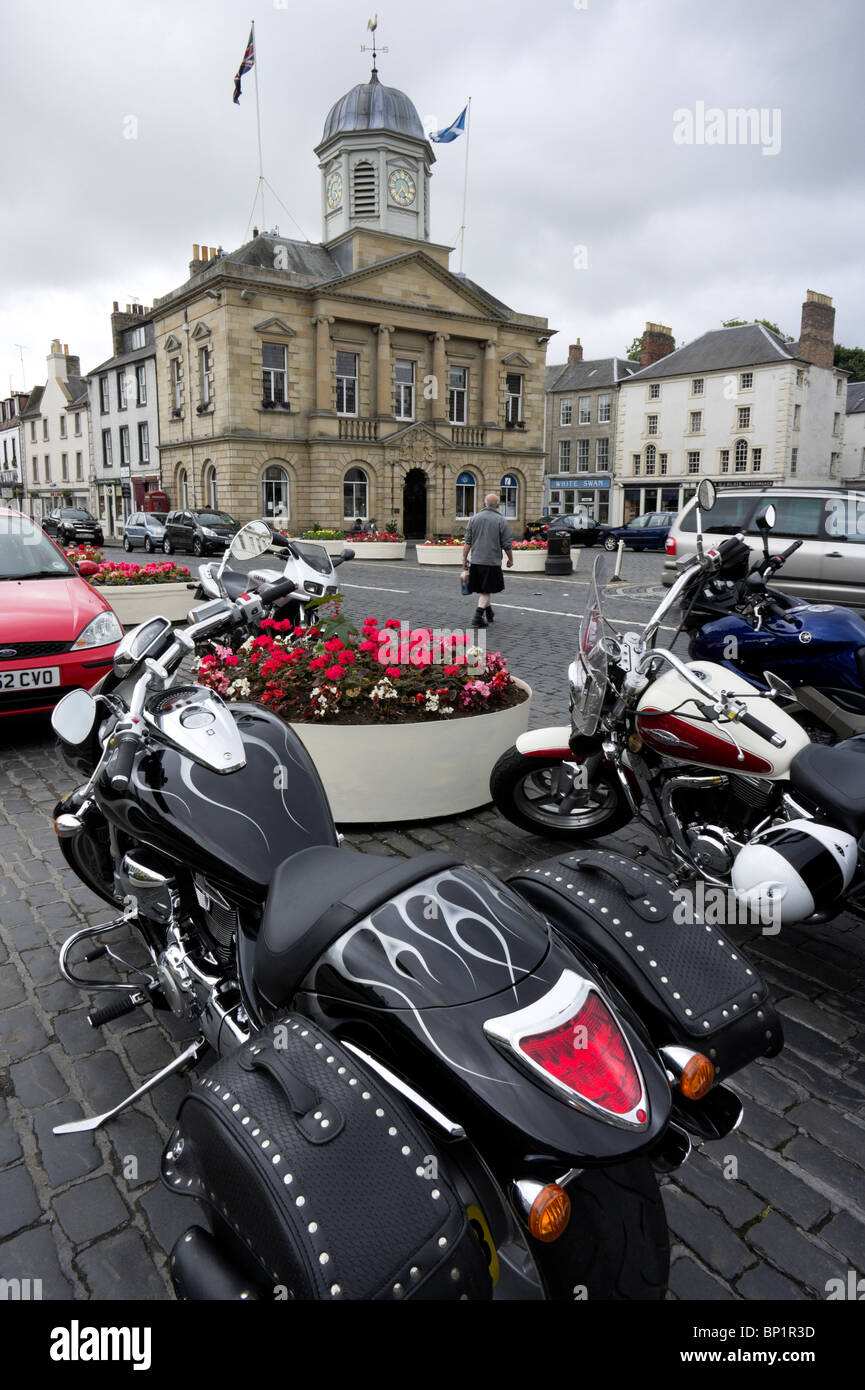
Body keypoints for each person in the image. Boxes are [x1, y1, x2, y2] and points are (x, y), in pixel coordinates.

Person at [461, 493, 513, 629]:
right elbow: (507, 544)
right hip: (492, 562)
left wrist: (464, 558)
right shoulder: (501, 521)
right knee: (486, 591)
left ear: (484, 504)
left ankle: (489, 614)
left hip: (476, 561)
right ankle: (477, 618)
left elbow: (467, 542)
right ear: (497, 505)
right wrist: (510, 559)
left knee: (485, 589)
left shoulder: (473, 519)